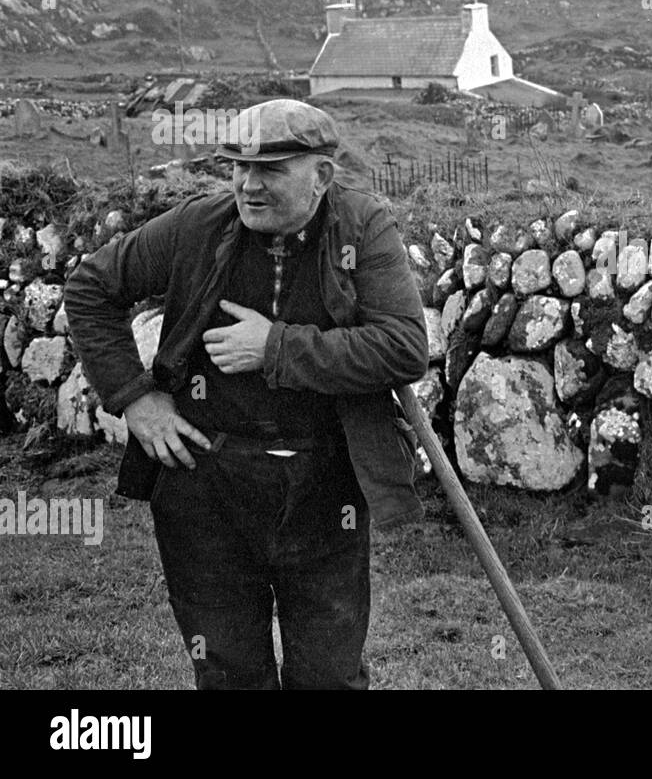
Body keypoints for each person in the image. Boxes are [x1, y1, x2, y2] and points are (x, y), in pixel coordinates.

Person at [64, 99, 429, 689]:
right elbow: (90, 288)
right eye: (237, 167)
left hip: (325, 484)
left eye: (271, 171)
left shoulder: (362, 227)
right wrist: (137, 398)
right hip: (205, 485)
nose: (248, 186)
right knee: (229, 674)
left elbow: (403, 347)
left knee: (329, 677)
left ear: (321, 177)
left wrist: (275, 347)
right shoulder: (196, 226)